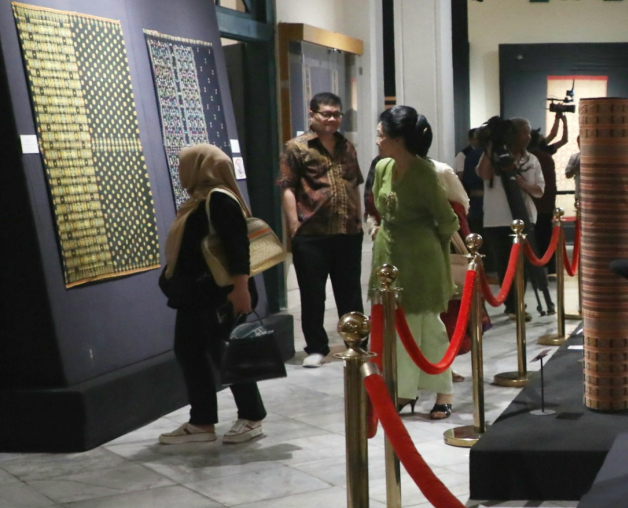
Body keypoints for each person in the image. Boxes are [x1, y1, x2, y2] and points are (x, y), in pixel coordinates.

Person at [158, 144, 266, 445]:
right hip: (196, 294)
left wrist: (240, 289)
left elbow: (237, 247)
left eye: (183, 165)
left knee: (227, 355)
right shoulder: (199, 200)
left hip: (219, 293)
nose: (180, 171)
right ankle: (202, 421)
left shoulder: (218, 199)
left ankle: (252, 416)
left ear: (199, 167)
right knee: (189, 351)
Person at [370, 106, 461, 419]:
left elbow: (448, 220)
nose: (377, 141)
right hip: (388, 256)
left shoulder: (425, 173)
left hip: (421, 258)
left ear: (398, 140)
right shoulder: (382, 167)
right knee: (396, 329)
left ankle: (444, 391)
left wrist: (435, 246)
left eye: (381, 135)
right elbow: (379, 208)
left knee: (427, 327)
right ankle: (403, 390)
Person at [278, 92, 365, 368]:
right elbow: (287, 187)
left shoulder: (347, 145)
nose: (331, 119)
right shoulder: (296, 147)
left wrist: (359, 217)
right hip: (311, 233)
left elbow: (354, 183)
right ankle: (316, 347)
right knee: (313, 294)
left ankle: (356, 343)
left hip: (347, 231)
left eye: (337, 114)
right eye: (326, 113)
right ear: (312, 114)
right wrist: (293, 224)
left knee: (350, 292)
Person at [477, 117, 546, 319]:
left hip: (524, 219)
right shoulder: (493, 156)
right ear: (513, 134)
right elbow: (484, 174)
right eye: (525, 132)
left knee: (521, 266)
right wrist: (491, 149)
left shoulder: (531, 159)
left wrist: (522, 183)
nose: (529, 136)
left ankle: (517, 304)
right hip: (496, 219)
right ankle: (511, 305)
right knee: (503, 264)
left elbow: (540, 191)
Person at [526, 114, 568, 316]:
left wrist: (561, 120)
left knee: (541, 232)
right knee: (544, 232)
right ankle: (546, 264)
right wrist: (562, 121)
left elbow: (555, 137)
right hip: (544, 200)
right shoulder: (539, 155)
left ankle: (544, 263)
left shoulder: (537, 154)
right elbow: (556, 137)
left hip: (541, 200)